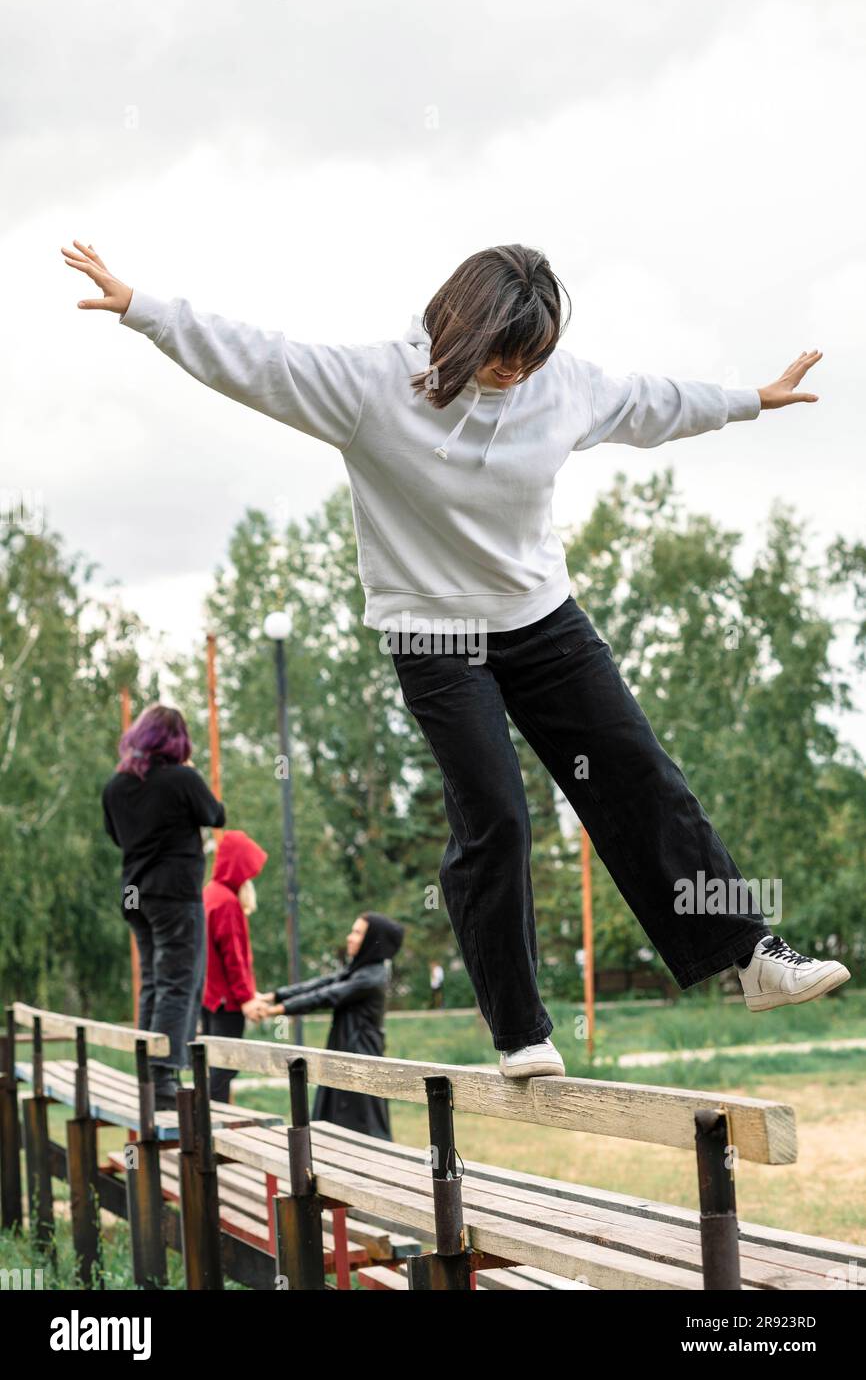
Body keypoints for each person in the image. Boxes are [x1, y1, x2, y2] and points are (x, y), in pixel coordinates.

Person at [69, 240, 850, 1081]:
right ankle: (520, 1032)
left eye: (532, 357)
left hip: (539, 615)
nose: (516, 373)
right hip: (434, 633)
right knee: (496, 813)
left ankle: (748, 957)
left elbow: (650, 403)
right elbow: (260, 359)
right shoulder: (372, 387)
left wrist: (747, 401)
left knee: (637, 768)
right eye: (503, 356)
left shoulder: (564, 386)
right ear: (460, 330)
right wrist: (142, 306)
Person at [102, 703, 225, 1108]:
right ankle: (165, 1080)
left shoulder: (116, 786)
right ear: (178, 742)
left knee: (153, 982)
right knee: (178, 981)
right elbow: (216, 814)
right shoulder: (182, 779)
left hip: (135, 894)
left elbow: (117, 837)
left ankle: (149, 1075)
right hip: (174, 894)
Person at [264, 912, 404, 1140]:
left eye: (357, 933)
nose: (350, 938)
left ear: (372, 940)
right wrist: (275, 997)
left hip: (360, 1058)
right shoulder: (358, 971)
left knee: (361, 1127)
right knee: (334, 1121)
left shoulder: (370, 978)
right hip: (345, 1050)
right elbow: (322, 984)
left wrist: (277, 1010)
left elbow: (327, 996)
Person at [201, 829, 271, 1102]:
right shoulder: (227, 903)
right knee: (224, 1068)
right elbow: (234, 957)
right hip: (226, 1002)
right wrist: (245, 998)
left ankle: (206, 1125)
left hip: (209, 999)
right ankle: (208, 1128)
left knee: (214, 1066)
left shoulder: (209, 894)